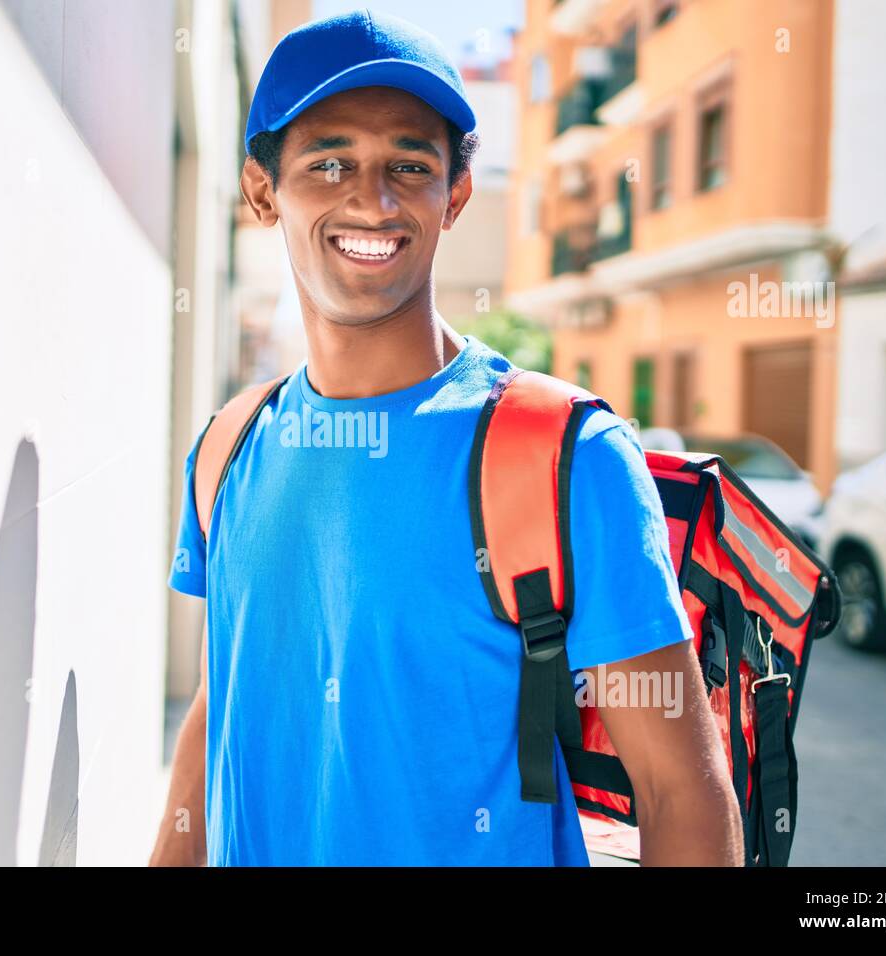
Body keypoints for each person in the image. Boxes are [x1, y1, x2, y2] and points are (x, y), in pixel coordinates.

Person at [149, 8, 741, 867]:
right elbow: (222, 707)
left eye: (409, 166)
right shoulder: (228, 448)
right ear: (262, 190)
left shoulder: (564, 455)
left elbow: (679, 790)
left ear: (453, 195)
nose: (372, 198)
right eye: (329, 161)